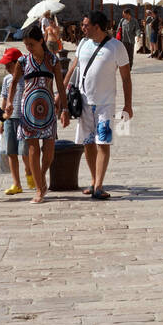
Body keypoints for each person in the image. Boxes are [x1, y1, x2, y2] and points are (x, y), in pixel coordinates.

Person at [64, 10, 132, 200]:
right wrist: (62, 90)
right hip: (84, 102)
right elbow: (73, 67)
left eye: (85, 25)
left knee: (103, 141)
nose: (82, 28)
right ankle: (94, 180)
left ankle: (100, 185)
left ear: (97, 26)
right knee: (88, 143)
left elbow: (126, 78)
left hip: (105, 104)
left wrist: (128, 105)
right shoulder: (83, 44)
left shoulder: (116, 47)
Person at [6, 24, 69, 204]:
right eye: (26, 44)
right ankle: (40, 189)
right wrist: (9, 102)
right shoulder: (23, 62)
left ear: (41, 41)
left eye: (31, 44)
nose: (28, 48)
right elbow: (13, 83)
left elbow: (60, 86)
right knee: (33, 149)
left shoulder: (53, 60)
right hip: (28, 111)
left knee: (49, 151)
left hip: (48, 110)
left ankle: (40, 176)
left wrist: (64, 109)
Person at [0, 46, 33, 195]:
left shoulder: (27, 77)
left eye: (8, 64)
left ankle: (29, 173)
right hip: (10, 119)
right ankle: (17, 184)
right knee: (11, 152)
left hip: (24, 118)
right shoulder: (7, 79)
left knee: (25, 152)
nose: (6, 67)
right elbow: (4, 99)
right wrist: (2, 120)